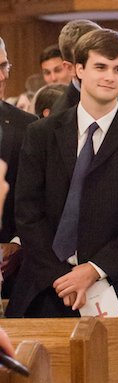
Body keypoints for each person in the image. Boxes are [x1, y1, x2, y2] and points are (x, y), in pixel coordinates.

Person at [7, 27, 118, 318]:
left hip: (114, 286)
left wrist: (93, 270)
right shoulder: (41, 133)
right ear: (79, 69)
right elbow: (28, 212)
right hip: (46, 283)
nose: (110, 76)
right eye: (100, 67)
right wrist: (62, 277)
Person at [0, 38, 37, 291]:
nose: (2, 77)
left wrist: (18, 242)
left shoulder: (28, 126)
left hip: (15, 274)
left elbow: (41, 197)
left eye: (4, 66)